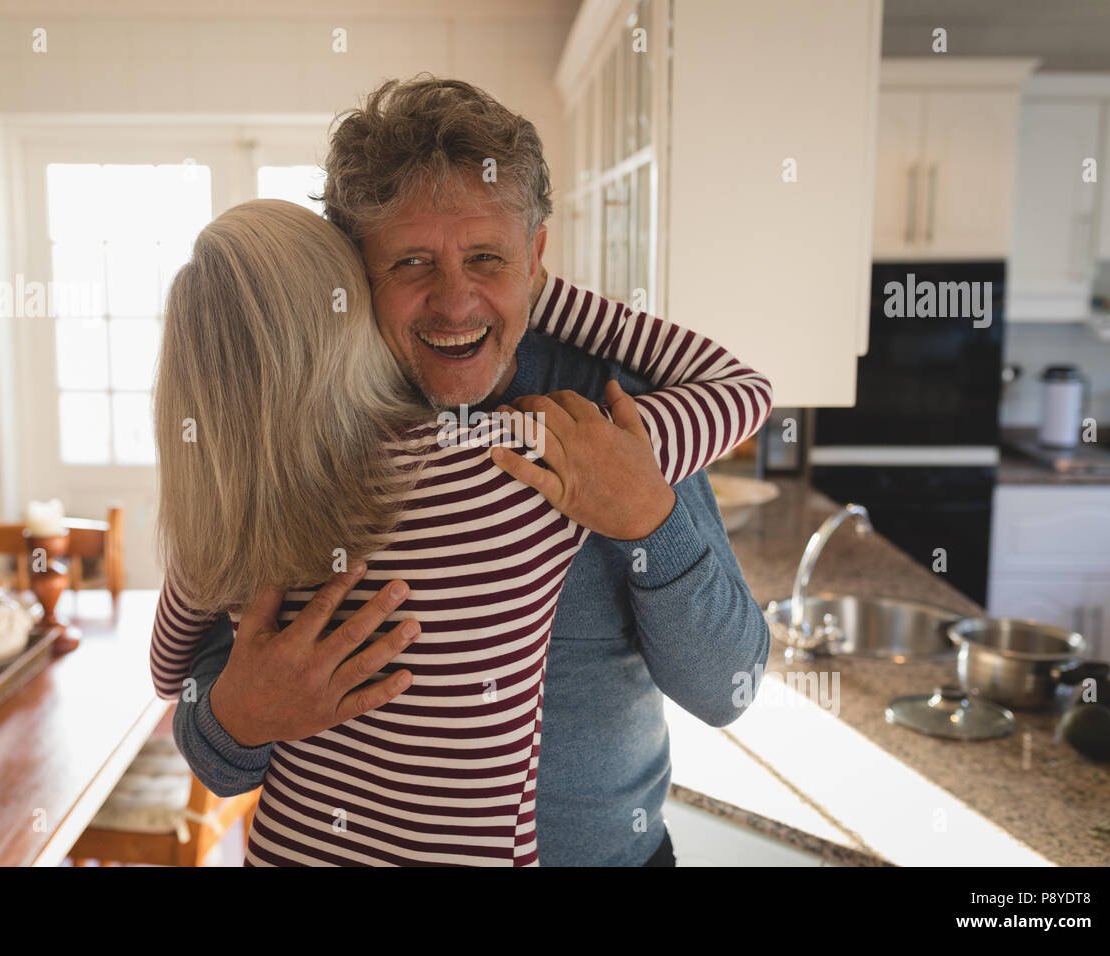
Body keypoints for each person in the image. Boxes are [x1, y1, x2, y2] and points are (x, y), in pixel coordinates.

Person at [170, 76, 776, 866]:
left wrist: (649, 522)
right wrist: (235, 716)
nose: (454, 303)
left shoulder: (612, 406)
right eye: (411, 262)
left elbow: (727, 687)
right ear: (354, 271)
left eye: (487, 257)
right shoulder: (293, 419)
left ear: (536, 256)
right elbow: (205, 740)